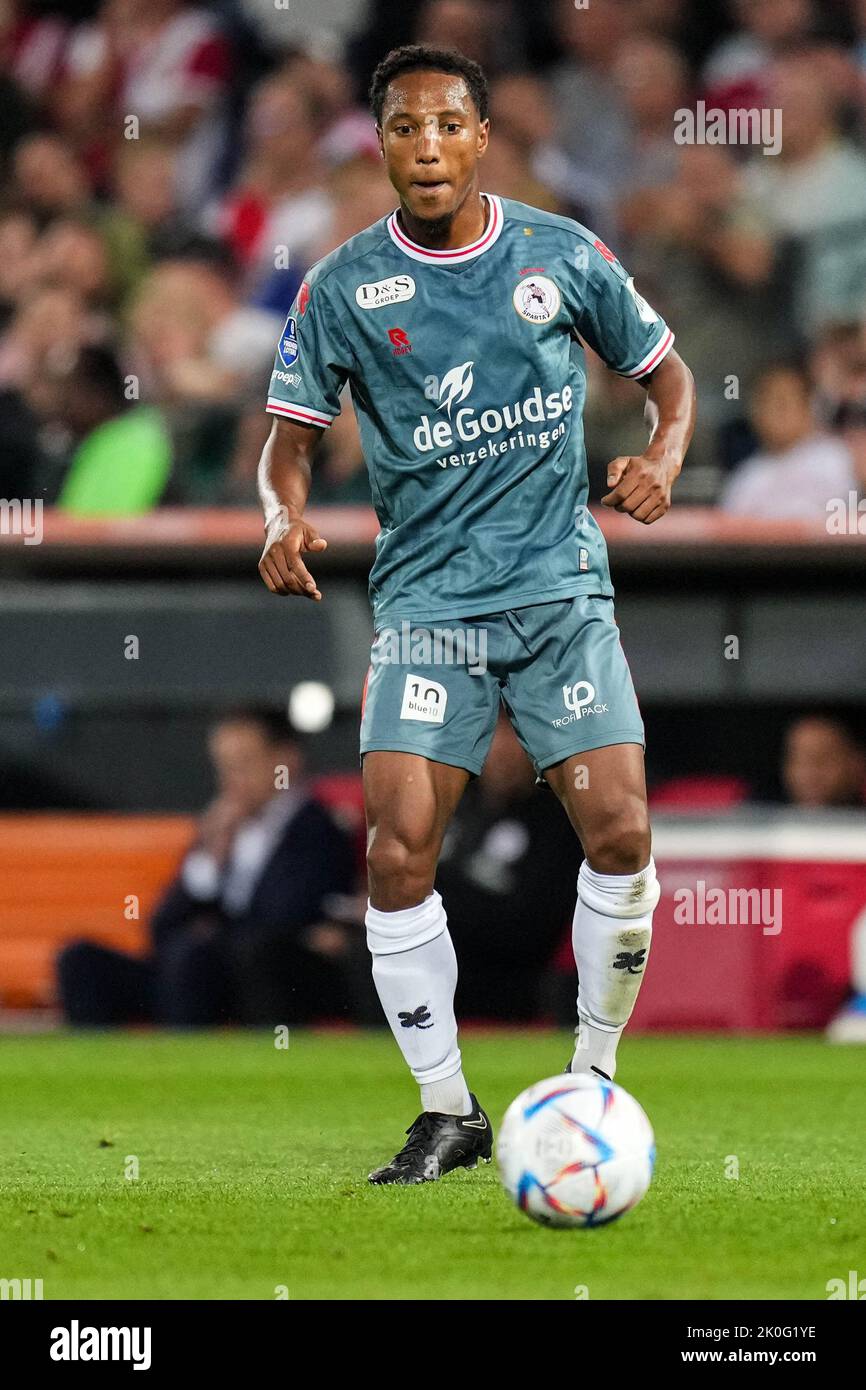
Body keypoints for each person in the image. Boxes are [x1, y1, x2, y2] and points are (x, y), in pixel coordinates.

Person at [256, 45, 696, 1185]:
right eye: (404, 128)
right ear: (383, 144)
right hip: (428, 608)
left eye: (448, 124)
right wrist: (279, 516)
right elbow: (286, 446)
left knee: (623, 836)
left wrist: (663, 455)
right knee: (398, 851)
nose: (428, 146)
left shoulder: (561, 252)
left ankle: (589, 1085)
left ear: (481, 136)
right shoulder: (342, 286)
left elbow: (668, 375)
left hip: (556, 591)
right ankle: (447, 1111)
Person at [57, 709, 357, 1026]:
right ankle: (106, 1071)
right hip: (190, 973)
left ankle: (183, 1068)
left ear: (286, 759)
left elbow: (286, 918)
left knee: (198, 956)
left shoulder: (317, 827)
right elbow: (161, 927)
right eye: (224, 767)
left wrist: (209, 934)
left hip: (261, 979)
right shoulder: (218, 830)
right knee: (81, 960)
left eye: (244, 763)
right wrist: (211, 861)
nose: (232, 778)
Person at [720, 363, 854, 521]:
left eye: (784, 403)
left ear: (809, 406)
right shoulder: (746, 478)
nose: (777, 412)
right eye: (767, 403)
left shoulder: (839, 459)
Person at [781, 716, 866, 809]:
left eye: (825, 758)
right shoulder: (770, 815)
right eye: (799, 760)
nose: (811, 773)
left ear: (856, 763)